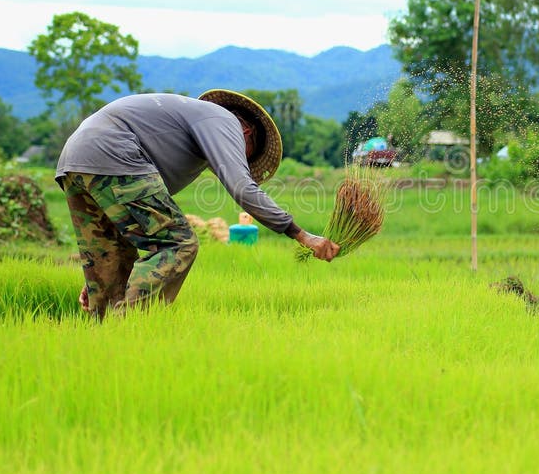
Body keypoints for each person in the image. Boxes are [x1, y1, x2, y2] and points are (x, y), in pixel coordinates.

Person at [55, 89, 340, 319]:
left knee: (110, 277)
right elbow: (242, 187)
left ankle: (107, 346)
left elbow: (131, 219)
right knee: (177, 243)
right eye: (246, 155)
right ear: (247, 133)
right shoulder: (222, 120)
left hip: (75, 157)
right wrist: (301, 234)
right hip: (115, 150)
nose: (241, 160)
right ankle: (130, 327)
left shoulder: (182, 129)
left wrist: (99, 274)